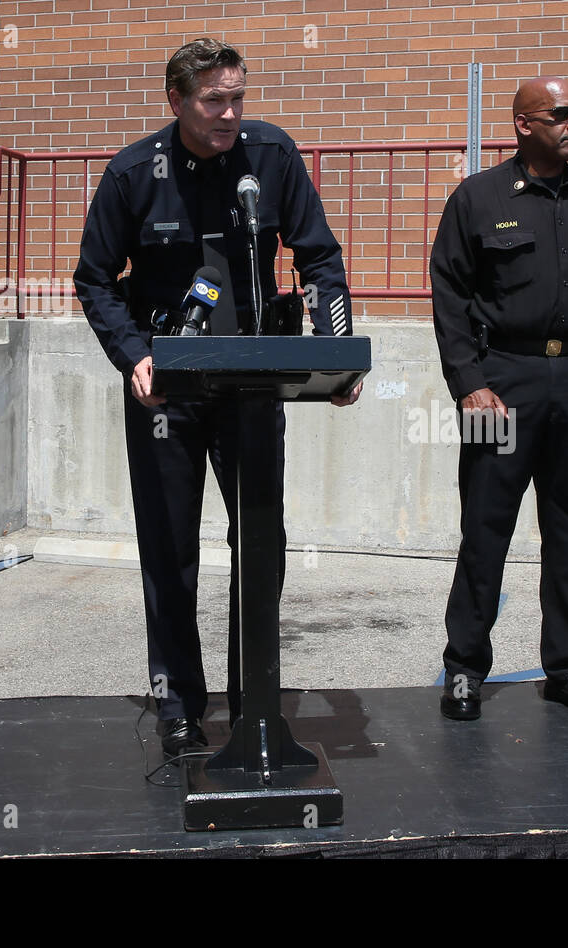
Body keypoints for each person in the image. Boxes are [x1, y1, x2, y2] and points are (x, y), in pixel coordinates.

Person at [73, 38, 360, 758]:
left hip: (253, 390)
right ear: (177, 101)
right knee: (169, 548)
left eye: (237, 97)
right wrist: (134, 356)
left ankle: (252, 697)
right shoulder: (134, 172)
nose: (230, 114)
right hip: (167, 394)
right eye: (213, 101)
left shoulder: (272, 157)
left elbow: (319, 256)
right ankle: (179, 706)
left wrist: (336, 349)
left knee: (261, 543)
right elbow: (94, 278)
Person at [429, 76, 568, 721]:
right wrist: (469, 384)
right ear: (524, 124)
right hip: (501, 378)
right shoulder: (478, 198)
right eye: (561, 114)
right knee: (484, 531)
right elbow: (449, 294)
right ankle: (465, 670)